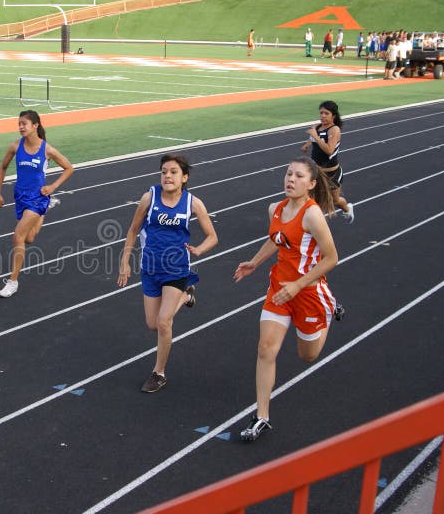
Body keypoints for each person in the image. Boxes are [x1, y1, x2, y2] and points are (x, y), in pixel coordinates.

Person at [234, 157, 340, 442]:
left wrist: (299, 285)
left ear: (312, 184)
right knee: (266, 349)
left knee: (308, 356)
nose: (291, 179)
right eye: (288, 173)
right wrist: (255, 262)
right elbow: (276, 239)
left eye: (299, 176)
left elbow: (332, 258)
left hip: (307, 292)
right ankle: (262, 416)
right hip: (279, 289)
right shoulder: (275, 208)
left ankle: (329, 307)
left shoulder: (312, 215)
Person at [117, 153, 218, 393]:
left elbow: (213, 236)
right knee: (152, 323)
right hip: (150, 269)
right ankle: (187, 295)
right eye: (164, 172)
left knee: (164, 322)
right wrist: (125, 262)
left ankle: (158, 373)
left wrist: (199, 249)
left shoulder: (193, 203)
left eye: (173, 172)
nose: (167, 176)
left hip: (176, 269)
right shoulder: (148, 198)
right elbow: (132, 231)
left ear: (184, 177)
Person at [0, 110, 74, 298]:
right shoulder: (15, 146)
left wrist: (53, 186)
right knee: (29, 239)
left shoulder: (47, 149)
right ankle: (43, 214)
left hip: (37, 198)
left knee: (18, 237)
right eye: (19, 123)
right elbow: (3, 167)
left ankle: (12, 282)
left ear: (35, 126)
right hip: (20, 197)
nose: (20, 127)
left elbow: (69, 168)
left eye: (24, 123)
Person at [301, 100, 355, 223]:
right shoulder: (317, 127)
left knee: (335, 200)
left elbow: (329, 150)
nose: (323, 116)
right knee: (310, 198)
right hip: (317, 171)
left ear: (333, 115)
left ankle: (347, 209)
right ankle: (310, 224)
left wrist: (315, 136)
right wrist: (307, 145)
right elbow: (312, 138)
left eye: (326, 113)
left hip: (332, 174)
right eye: (321, 113)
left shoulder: (334, 130)